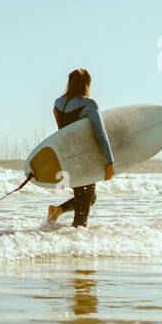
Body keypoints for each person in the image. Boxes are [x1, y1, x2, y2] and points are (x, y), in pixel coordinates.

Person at [46, 68, 114, 228]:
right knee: (82, 213)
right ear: (87, 84)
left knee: (89, 198)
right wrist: (110, 161)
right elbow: (100, 133)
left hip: (67, 156)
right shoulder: (89, 104)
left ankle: (58, 210)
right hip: (85, 158)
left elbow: (63, 131)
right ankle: (75, 244)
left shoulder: (58, 103)